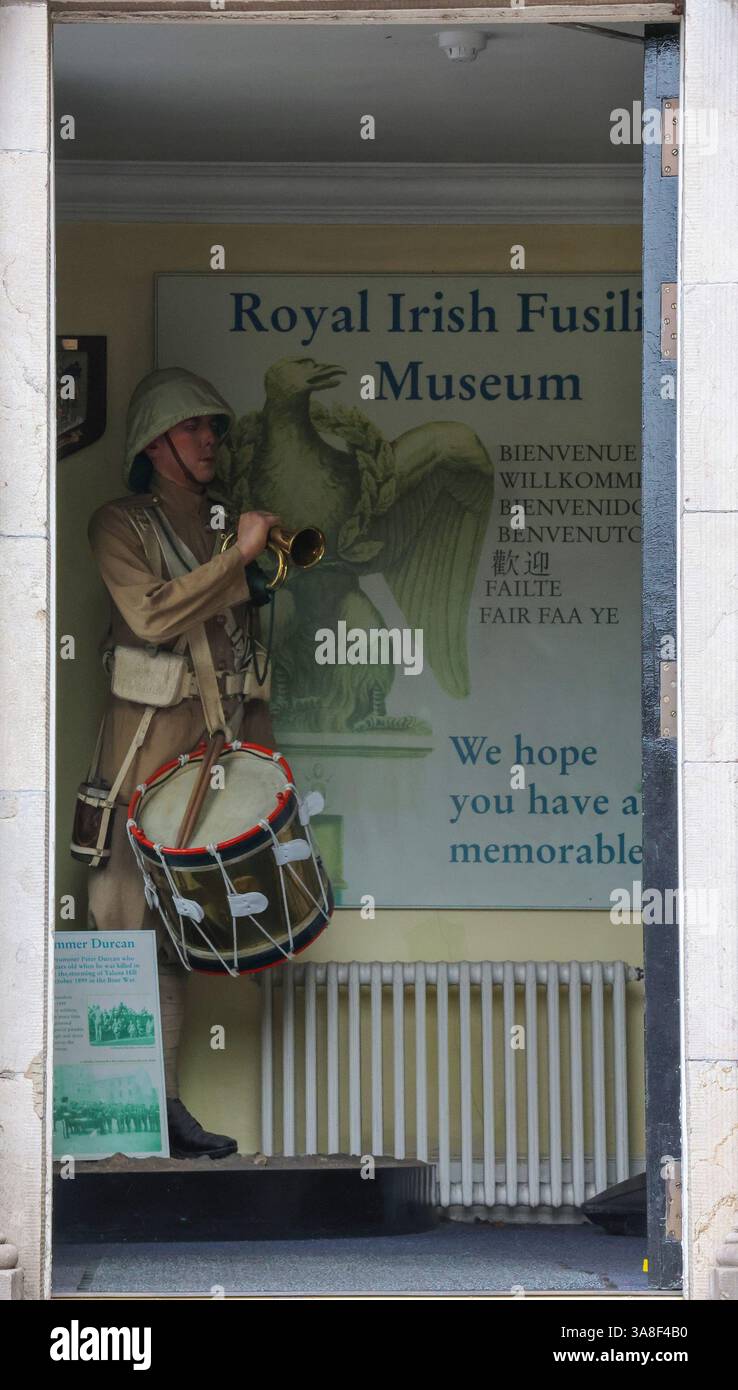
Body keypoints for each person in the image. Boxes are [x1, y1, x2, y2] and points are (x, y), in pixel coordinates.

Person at [83, 367, 280, 1159]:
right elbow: (151, 613)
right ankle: (112, 1115)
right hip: (144, 763)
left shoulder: (222, 524)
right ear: (156, 443)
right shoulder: (120, 523)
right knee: (123, 926)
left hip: (215, 763)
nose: (211, 441)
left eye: (216, 429)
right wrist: (239, 558)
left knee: (179, 941)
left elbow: (244, 649)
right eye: (197, 427)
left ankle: (161, 1109)